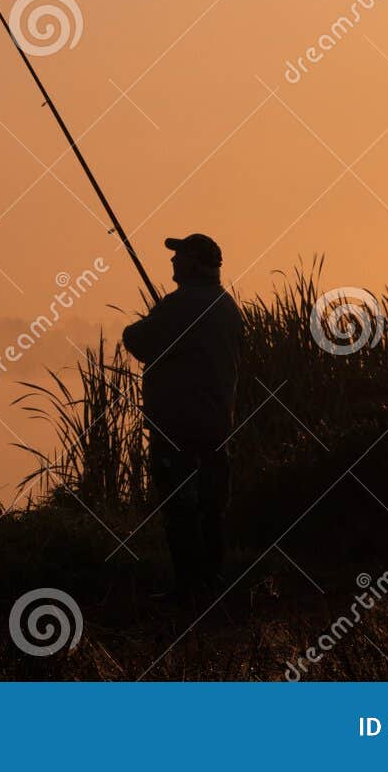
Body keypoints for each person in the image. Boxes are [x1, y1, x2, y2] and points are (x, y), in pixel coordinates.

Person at [121, 233, 244, 604]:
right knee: (211, 510)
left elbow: (138, 341)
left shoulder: (179, 305)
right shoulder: (227, 307)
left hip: (177, 428)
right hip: (217, 427)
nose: (172, 262)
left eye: (178, 257)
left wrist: (144, 322)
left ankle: (187, 590)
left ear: (193, 263)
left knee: (179, 509)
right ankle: (211, 586)